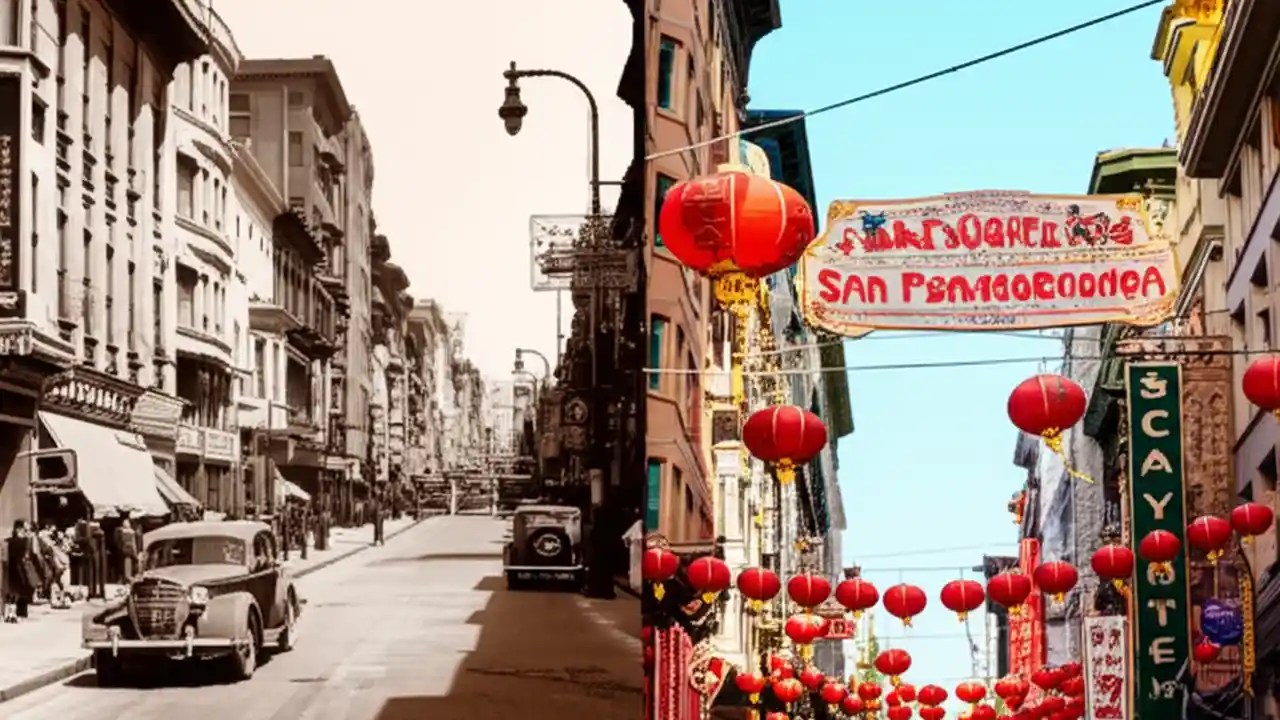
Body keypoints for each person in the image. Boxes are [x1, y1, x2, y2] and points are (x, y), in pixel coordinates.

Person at [5, 521, 40, 621]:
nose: (26, 531)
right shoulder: (25, 541)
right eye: (24, 529)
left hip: (12, 568)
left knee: (13, 591)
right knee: (20, 590)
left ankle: (11, 613)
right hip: (20, 568)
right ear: (18, 529)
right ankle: (18, 613)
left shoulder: (8, 541)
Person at [115, 518, 138, 584]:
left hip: (124, 550)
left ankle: (126, 577)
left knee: (124, 564)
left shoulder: (121, 531)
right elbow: (134, 543)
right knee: (128, 564)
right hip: (129, 550)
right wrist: (135, 552)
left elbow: (119, 541)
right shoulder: (132, 532)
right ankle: (127, 577)